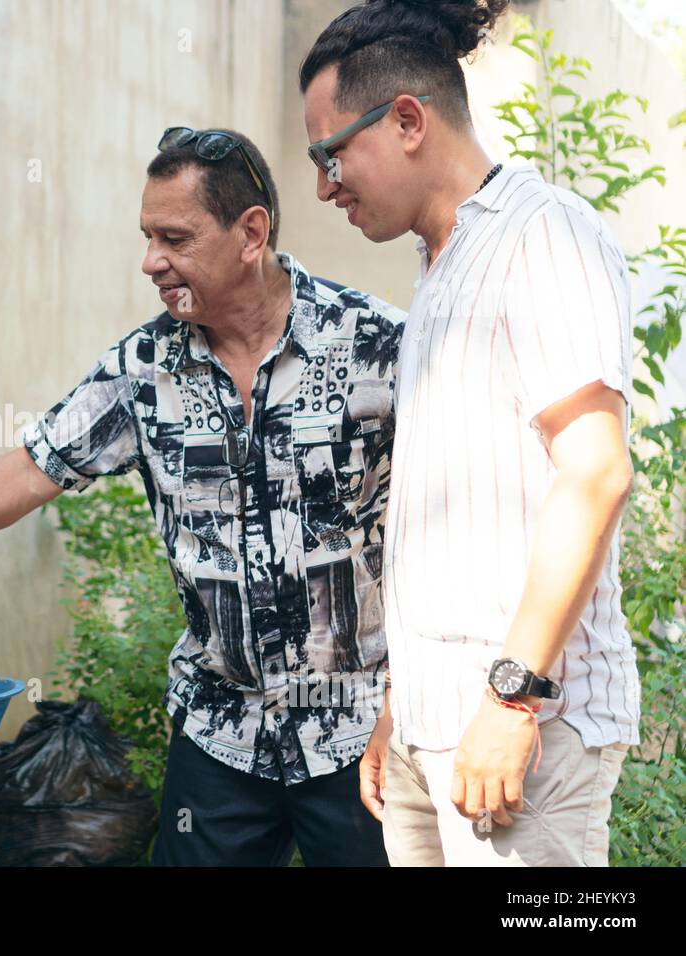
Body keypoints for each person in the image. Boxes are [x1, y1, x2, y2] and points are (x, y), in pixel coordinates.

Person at [0, 127, 405, 865]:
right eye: (146, 236)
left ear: (249, 233)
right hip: (221, 733)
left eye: (174, 237)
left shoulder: (374, 347)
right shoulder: (144, 368)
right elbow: (35, 467)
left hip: (360, 733)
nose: (151, 261)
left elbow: (453, 516)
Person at [299, 0, 640, 866]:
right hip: (435, 732)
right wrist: (398, 709)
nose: (324, 185)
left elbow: (594, 473)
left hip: (526, 733)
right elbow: (455, 522)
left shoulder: (542, 237)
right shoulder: (441, 261)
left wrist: (513, 698)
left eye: (330, 153)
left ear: (407, 119)